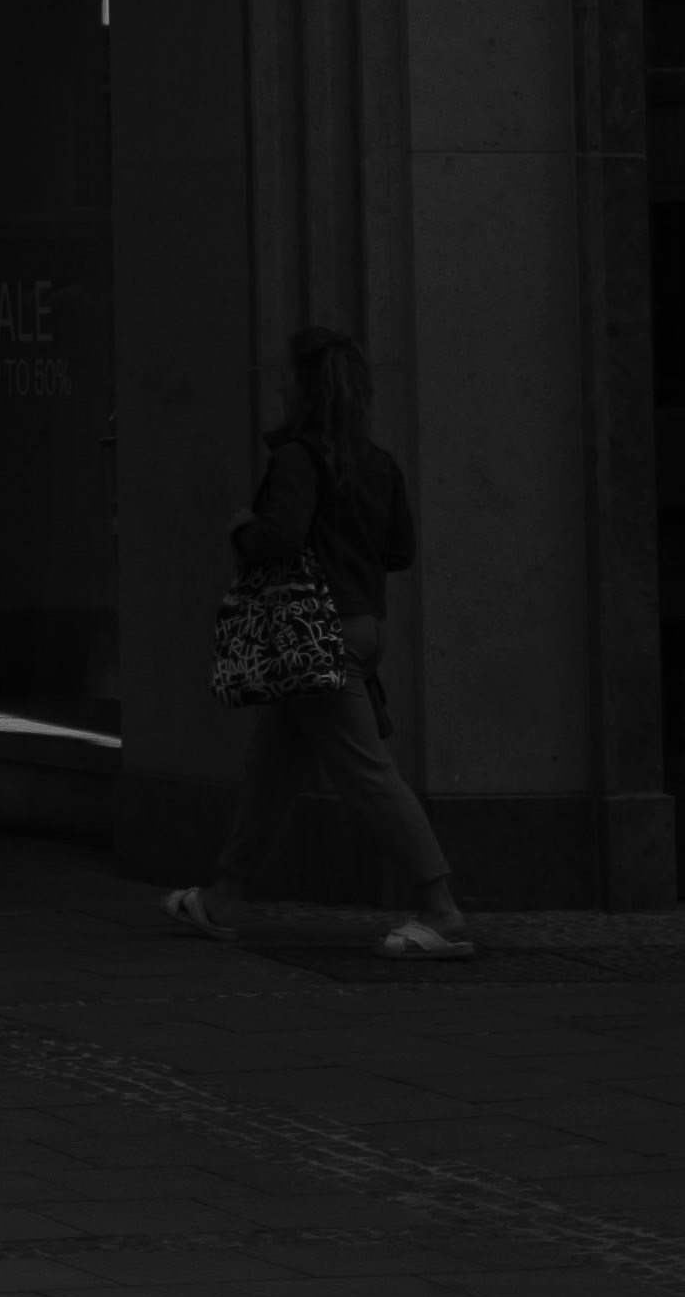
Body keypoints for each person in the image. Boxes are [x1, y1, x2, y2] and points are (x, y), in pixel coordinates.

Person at [172, 324, 471, 954]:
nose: (277, 381)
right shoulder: (379, 462)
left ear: (305, 388)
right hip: (357, 629)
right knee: (272, 769)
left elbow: (278, 537)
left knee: (367, 774)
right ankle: (223, 896)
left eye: (284, 373)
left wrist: (242, 530)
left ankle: (441, 910)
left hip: (313, 637)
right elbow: (401, 550)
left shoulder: (297, 458)